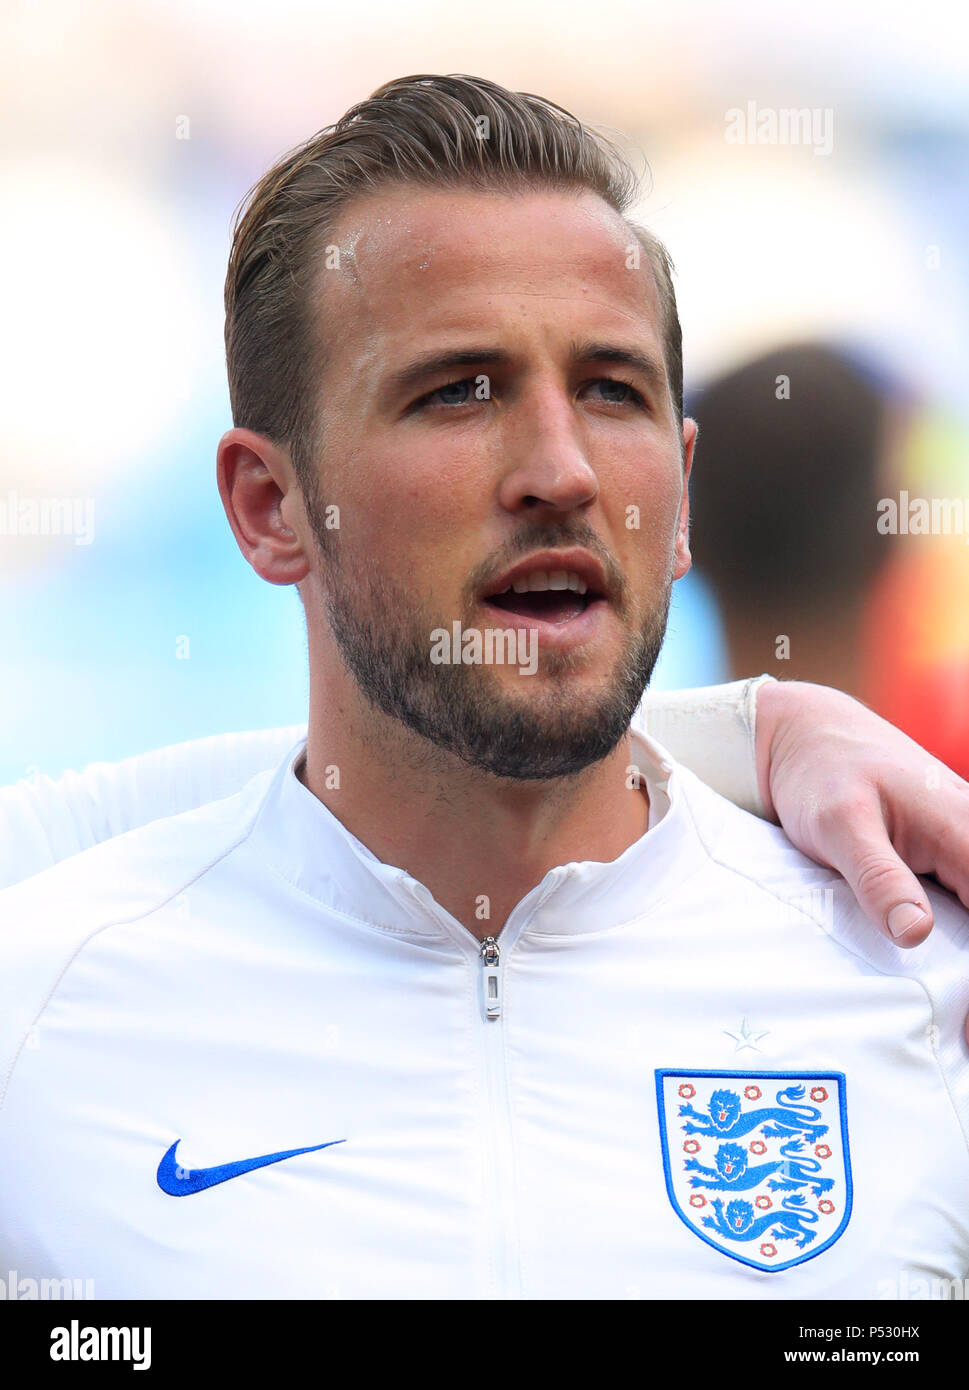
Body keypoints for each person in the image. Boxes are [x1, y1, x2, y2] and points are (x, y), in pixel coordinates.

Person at [1, 73, 966, 1300]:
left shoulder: (919, 979)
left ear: (680, 495)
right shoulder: (40, 1014)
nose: (561, 469)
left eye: (612, 388)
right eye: (459, 388)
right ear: (268, 505)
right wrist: (759, 724)